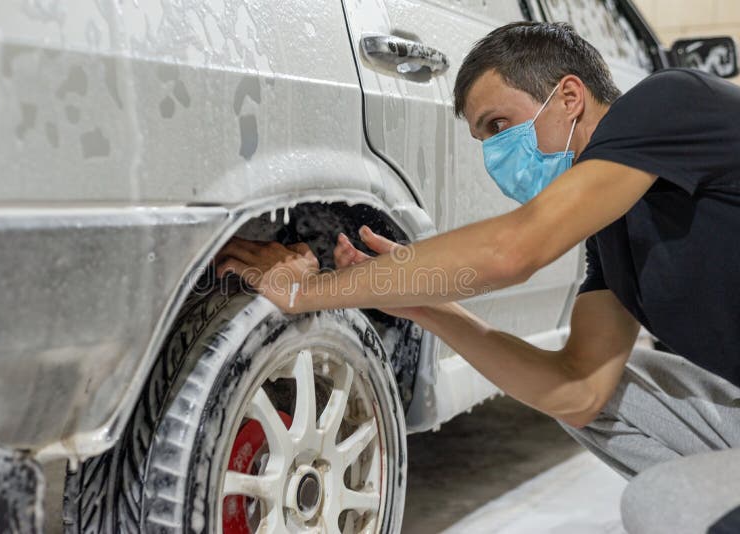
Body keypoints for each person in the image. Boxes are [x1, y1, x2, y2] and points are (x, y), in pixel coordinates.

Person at [215, 22, 740, 533]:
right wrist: (425, 309)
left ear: (569, 97)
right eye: (481, 138)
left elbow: (513, 249)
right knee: (615, 395)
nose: (493, 154)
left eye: (498, 125)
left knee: (663, 502)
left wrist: (306, 291)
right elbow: (577, 394)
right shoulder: (610, 245)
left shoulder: (669, 101)